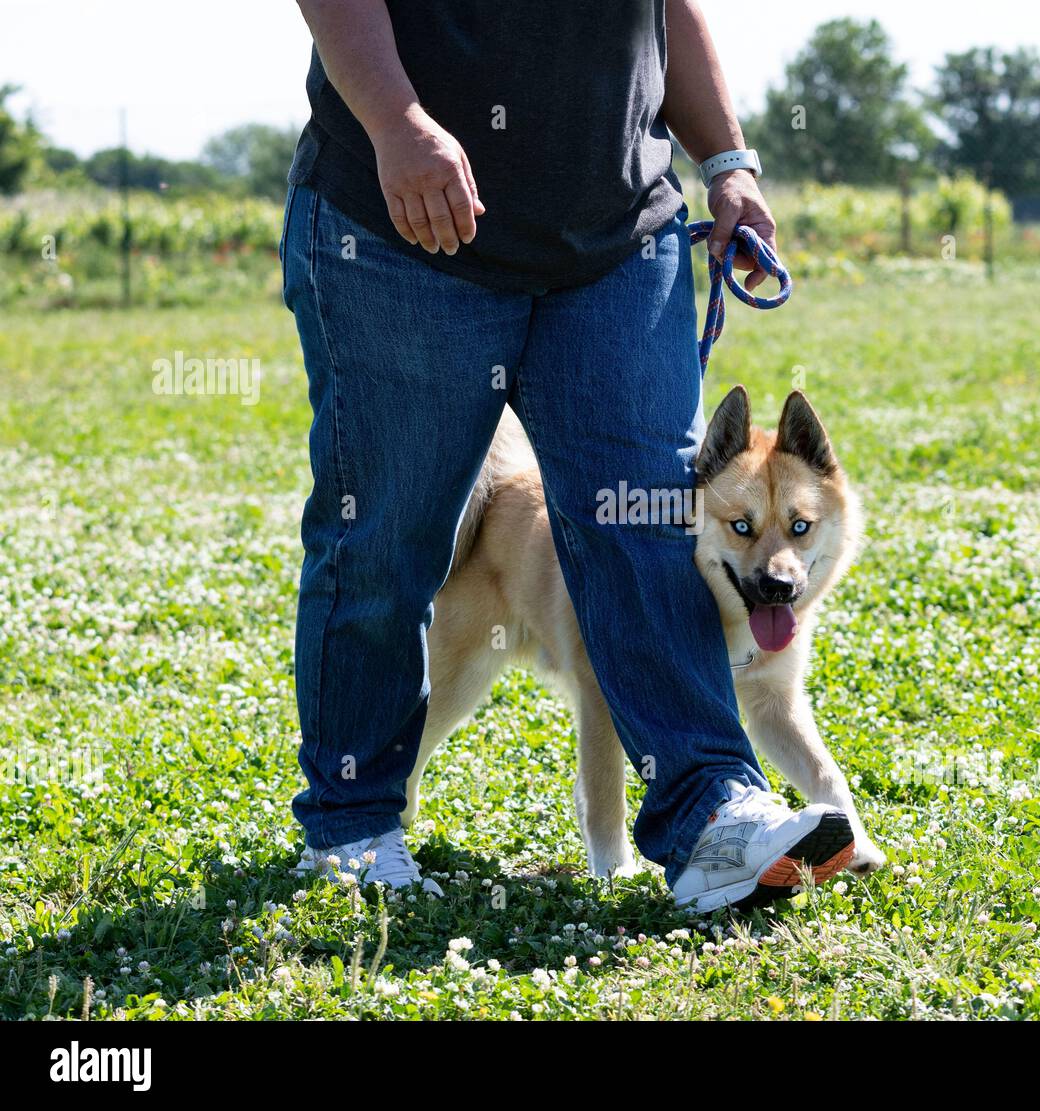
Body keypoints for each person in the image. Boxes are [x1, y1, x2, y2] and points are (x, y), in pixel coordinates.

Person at [283, 0, 855, 911]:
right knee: (384, 537)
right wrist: (396, 121)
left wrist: (728, 161)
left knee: (654, 517)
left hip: (617, 240)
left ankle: (711, 810)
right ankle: (353, 826)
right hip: (402, 233)